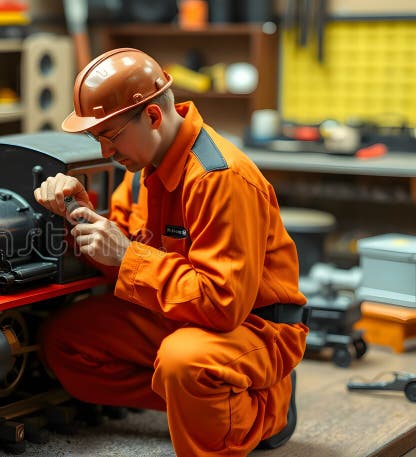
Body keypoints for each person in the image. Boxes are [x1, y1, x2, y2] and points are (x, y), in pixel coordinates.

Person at [33, 48, 310, 456]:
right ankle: (209, 401)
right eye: (97, 140)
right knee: (66, 341)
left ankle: (265, 412)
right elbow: (125, 271)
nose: (106, 153)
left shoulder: (220, 179)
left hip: (255, 328)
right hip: (182, 315)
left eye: (110, 137)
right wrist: (81, 217)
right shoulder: (141, 172)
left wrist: (127, 254)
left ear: (152, 117)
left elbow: (223, 304)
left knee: (184, 362)